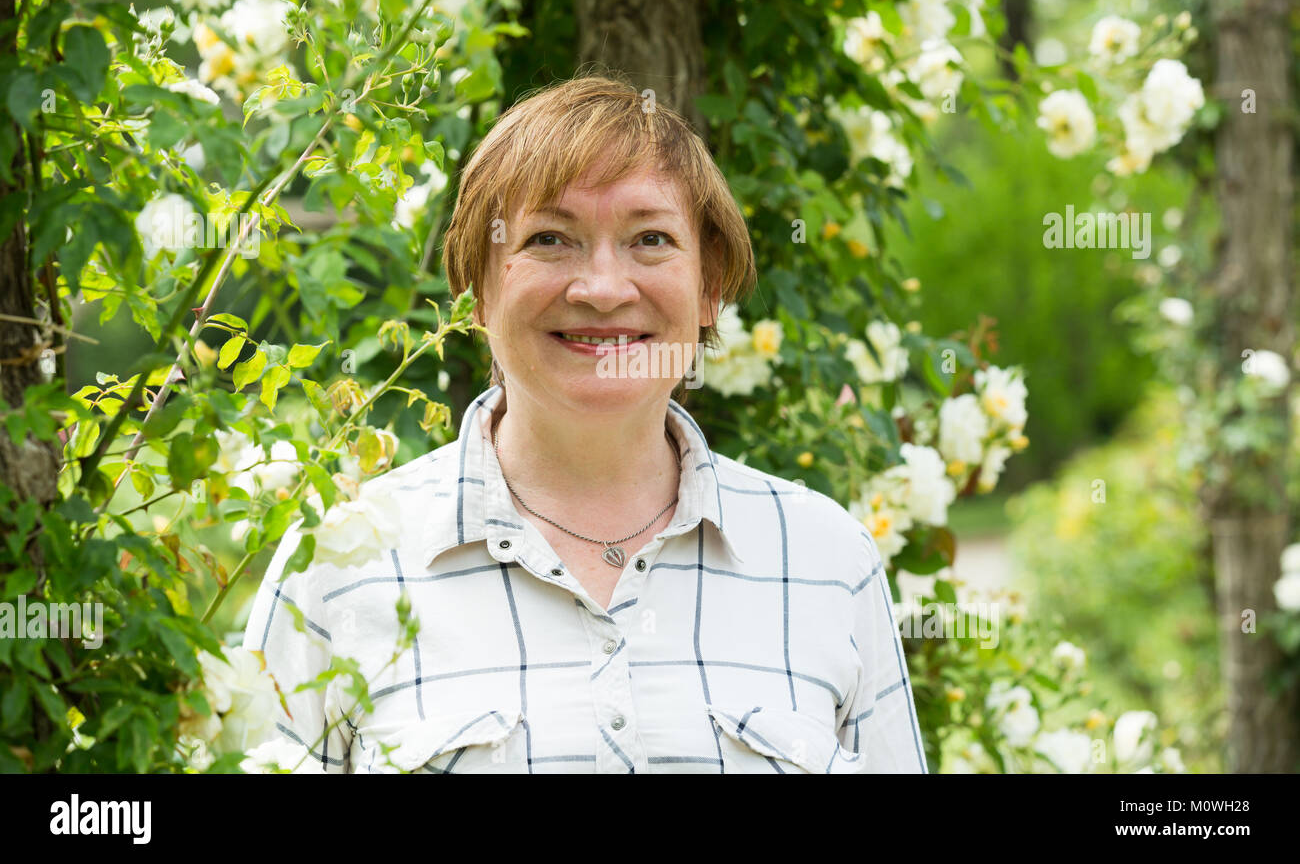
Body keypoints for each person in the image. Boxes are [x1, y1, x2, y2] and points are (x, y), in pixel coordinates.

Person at [243, 74, 927, 773]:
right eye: (550, 239)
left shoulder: (825, 562)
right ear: (478, 289)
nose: (602, 288)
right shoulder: (334, 565)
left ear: (709, 287)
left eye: (650, 239)